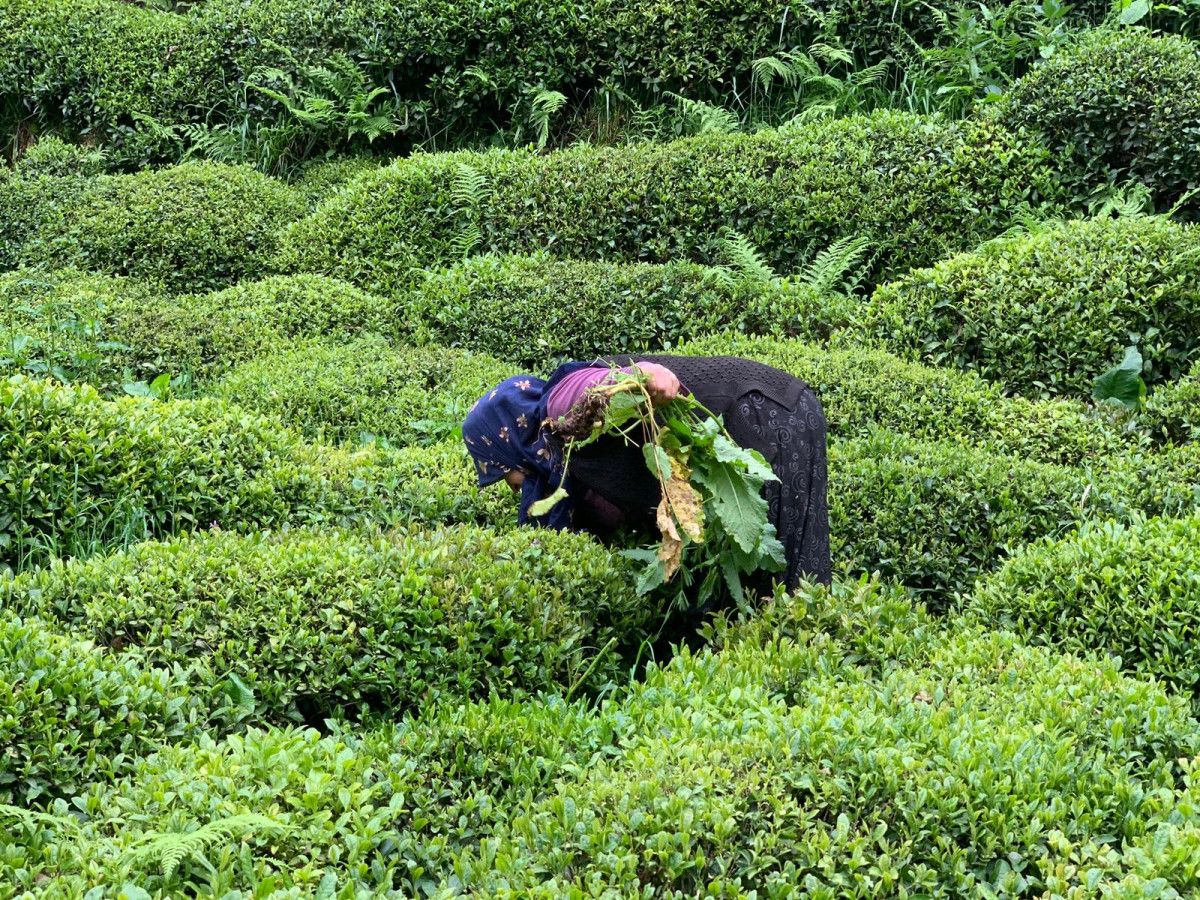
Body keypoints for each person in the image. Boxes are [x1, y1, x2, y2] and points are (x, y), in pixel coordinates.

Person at [462, 355, 831, 593]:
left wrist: (640, 375)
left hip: (763, 411)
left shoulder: (556, 410)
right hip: (785, 409)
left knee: (787, 579)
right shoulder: (564, 476)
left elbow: (587, 390)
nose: (510, 486)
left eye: (498, 470)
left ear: (507, 440)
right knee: (786, 574)